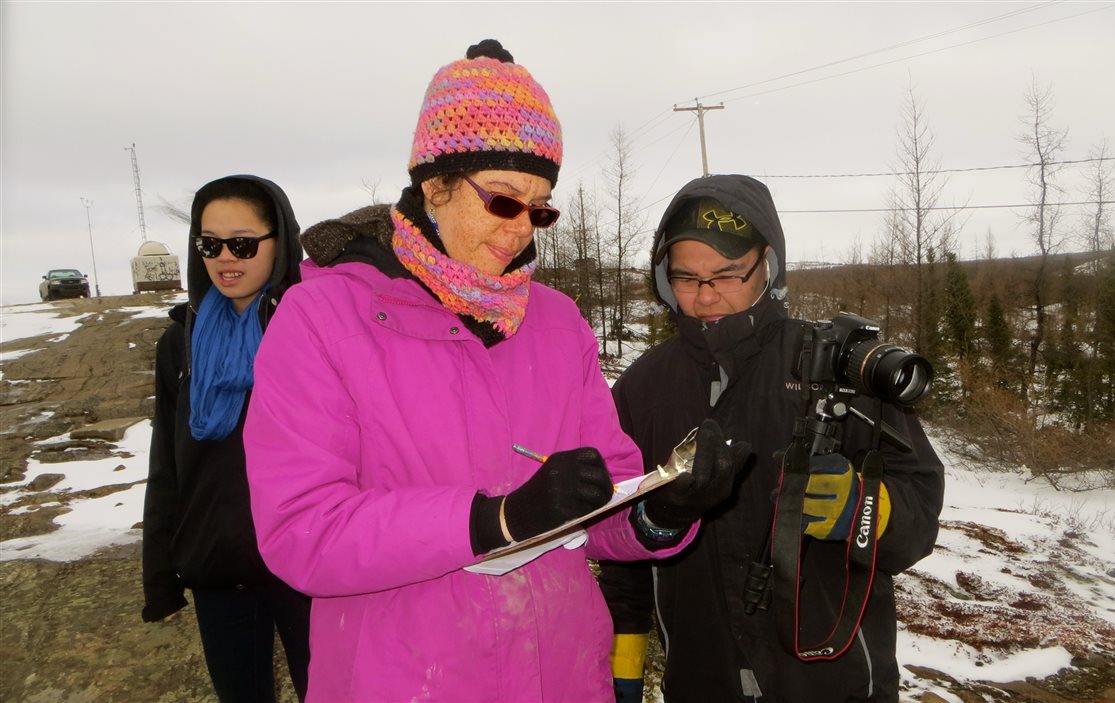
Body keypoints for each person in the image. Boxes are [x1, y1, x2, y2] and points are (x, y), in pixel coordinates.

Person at [241, 40, 744, 702]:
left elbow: (604, 503)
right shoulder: (321, 318)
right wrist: (492, 520)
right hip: (402, 681)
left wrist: (665, 506)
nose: (521, 231)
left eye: (540, 208)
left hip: (558, 677)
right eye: (504, 200)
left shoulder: (558, 324)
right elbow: (303, 531)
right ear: (435, 184)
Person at [598, 174, 945, 703]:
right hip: (701, 676)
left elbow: (919, 506)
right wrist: (625, 656)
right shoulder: (643, 388)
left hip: (835, 677)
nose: (706, 296)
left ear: (768, 264)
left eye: (728, 274)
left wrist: (864, 509)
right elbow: (622, 535)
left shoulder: (832, 367)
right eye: (686, 278)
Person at [142, 175, 311, 702]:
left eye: (242, 242)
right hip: (219, 570)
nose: (224, 257)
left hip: (306, 566)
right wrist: (161, 576)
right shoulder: (181, 341)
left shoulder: (311, 326)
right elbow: (169, 463)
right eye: (208, 243)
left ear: (279, 240)